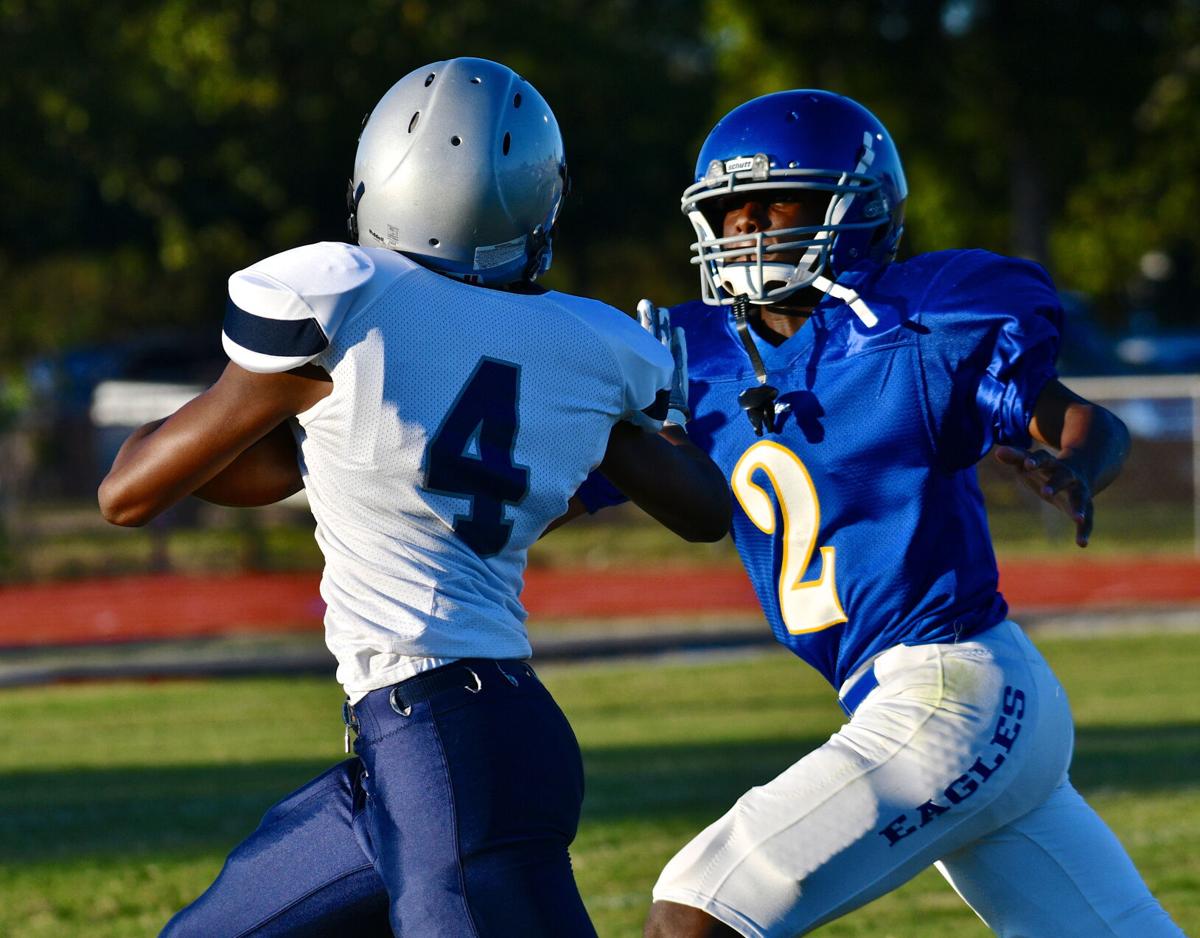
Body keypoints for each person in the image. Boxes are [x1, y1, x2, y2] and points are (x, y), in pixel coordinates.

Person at [98, 57, 730, 937]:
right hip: (432, 749)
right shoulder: (595, 344)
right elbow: (703, 510)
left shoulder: (343, 298)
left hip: (442, 744)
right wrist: (626, 442)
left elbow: (128, 493)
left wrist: (262, 397)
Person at [577, 90, 1182, 937]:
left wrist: (1074, 466)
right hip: (946, 702)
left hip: (954, 686)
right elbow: (557, 484)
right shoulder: (689, 359)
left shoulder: (916, 330)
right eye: (728, 209)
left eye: (773, 202)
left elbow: (1085, 420)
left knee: (697, 910)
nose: (745, 228)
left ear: (854, 208)